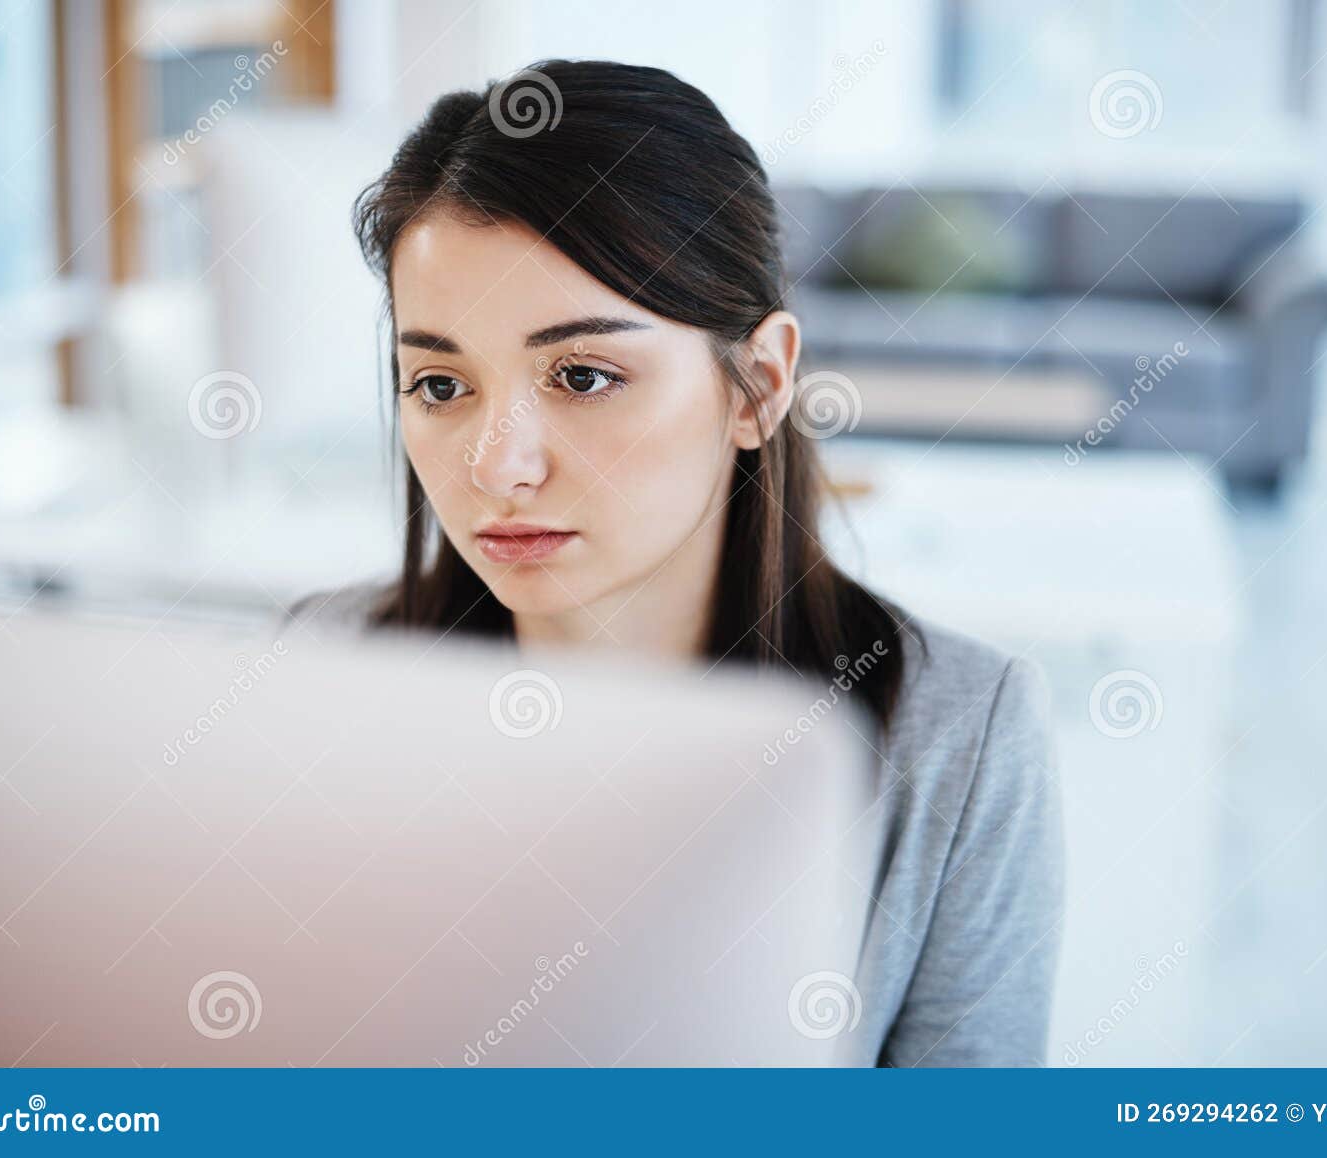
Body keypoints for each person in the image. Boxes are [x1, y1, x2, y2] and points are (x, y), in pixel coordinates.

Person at [288, 59, 1063, 1066]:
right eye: (439, 385)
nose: (499, 467)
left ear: (759, 386)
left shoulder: (956, 742)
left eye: (582, 376)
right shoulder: (318, 670)